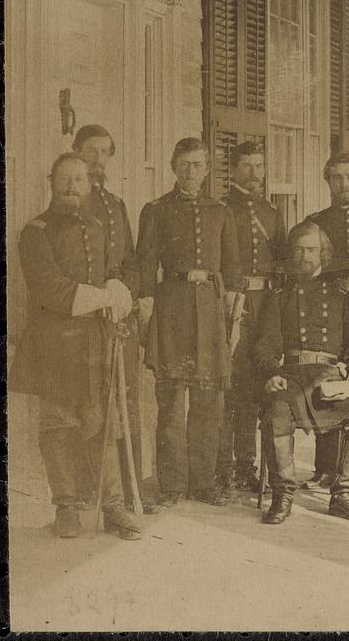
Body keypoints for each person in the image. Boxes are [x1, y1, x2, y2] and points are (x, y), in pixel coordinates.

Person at [10, 153, 140, 539]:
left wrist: (117, 293)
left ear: (89, 185)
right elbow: (49, 288)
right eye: (65, 179)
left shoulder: (98, 227)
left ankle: (112, 507)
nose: (72, 186)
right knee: (59, 425)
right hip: (53, 343)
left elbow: (109, 274)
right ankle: (66, 506)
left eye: (79, 180)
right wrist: (102, 297)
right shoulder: (35, 231)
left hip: (94, 342)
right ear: (51, 182)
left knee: (103, 423)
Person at [136, 137, 240, 507]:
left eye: (198, 165)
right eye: (184, 165)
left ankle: (203, 482)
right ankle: (172, 485)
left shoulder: (220, 211)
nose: (191, 172)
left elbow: (232, 269)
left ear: (208, 169)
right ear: (173, 167)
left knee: (208, 404)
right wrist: (146, 315)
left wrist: (232, 318)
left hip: (211, 311)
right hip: (173, 309)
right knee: (170, 403)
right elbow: (146, 265)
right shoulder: (156, 210)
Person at [254, 221, 349, 525]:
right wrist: (271, 372)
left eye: (311, 250)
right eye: (297, 250)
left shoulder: (341, 295)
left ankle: (343, 495)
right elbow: (265, 343)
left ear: (323, 253)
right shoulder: (280, 294)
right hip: (292, 376)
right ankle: (283, 495)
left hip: (331, 378)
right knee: (275, 417)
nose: (303, 256)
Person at [73, 124, 158, 513]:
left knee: (127, 404)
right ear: (76, 153)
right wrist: (100, 293)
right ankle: (92, 495)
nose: (98, 161)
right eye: (91, 152)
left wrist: (124, 289)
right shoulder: (70, 203)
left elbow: (132, 262)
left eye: (105, 153)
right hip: (84, 323)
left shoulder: (116, 205)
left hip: (119, 319)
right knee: (92, 407)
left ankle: (129, 491)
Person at [303, 151, 349, 492]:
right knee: (327, 379)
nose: (344, 184)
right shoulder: (316, 222)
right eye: (337, 177)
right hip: (331, 310)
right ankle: (325, 468)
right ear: (327, 181)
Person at [215, 141, 286, 497]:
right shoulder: (222, 208)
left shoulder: (272, 212)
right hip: (233, 306)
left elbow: (281, 260)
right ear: (233, 168)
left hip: (264, 306)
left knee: (258, 385)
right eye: (247, 167)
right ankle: (226, 466)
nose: (254, 174)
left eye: (259, 166)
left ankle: (249, 464)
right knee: (232, 386)